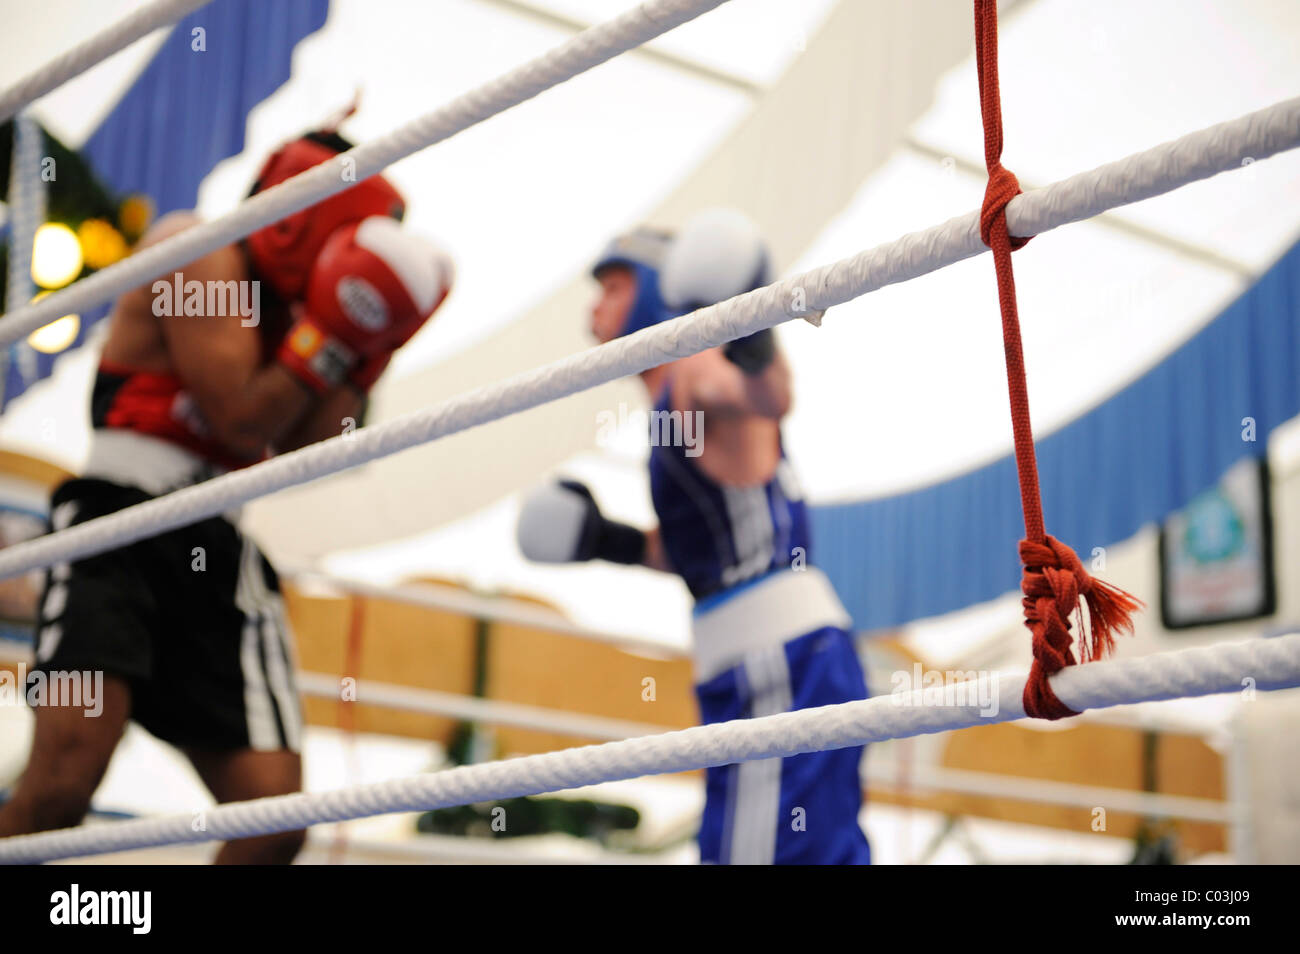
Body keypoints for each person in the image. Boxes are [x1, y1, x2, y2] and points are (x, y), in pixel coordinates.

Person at [0, 129, 452, 863]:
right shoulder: (198, 249)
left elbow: (307, 444)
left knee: (273, 822)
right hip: (116, 527)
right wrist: (333, 338)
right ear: (297, 216)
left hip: (217, 546)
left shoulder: (298, 310)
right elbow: (240, 418)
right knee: (59, 788)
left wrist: (368, 345)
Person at [516, 209, 870, 864]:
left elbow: (766, 396)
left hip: (777, 659)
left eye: (615, 286)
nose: (596, 306)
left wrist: (755, 330)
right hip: (773, 657)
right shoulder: (670, 401)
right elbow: (703, 553)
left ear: (659, 287)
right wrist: (606, 541)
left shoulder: (692, 374)